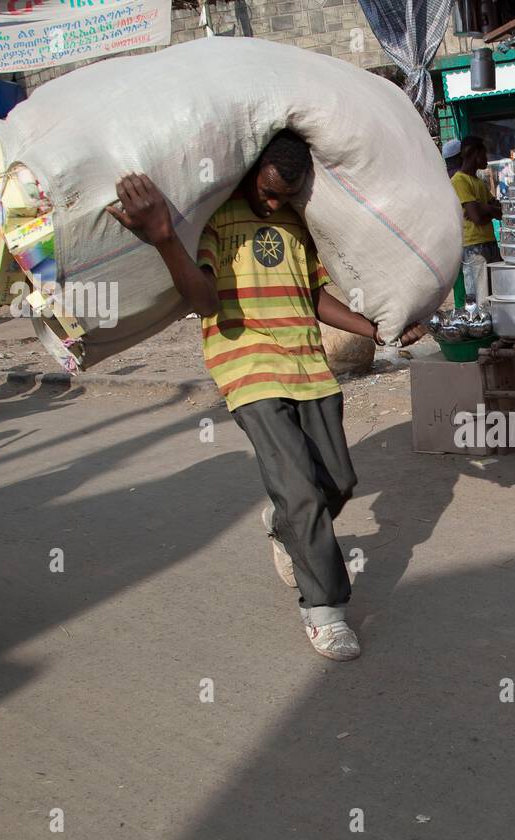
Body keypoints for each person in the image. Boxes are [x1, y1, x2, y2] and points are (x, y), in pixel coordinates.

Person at [107, 131, 424, 662]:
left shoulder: (297, 221)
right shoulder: (219, 217)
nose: (273, 202)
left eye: (285, 195)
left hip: (309, 366)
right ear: (252, 170)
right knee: (301, 490)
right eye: (269, 191)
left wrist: (375, 330)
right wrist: (164, 237)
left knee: (338, 483)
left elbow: (313, 294)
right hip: (247, 365)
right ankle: (325, 611)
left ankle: (282, 526)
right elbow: (204, 300)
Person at [451, 136, 501, 302]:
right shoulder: (459, 181)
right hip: (474, 247)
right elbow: (477, 217)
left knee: (495, 295)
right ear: (474, 154)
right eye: (484, 153)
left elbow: (499, 212)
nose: (486, 158)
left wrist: (484, 207)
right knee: (481, 300)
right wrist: (486, 209)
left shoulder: (478, 182)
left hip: (489, 242)